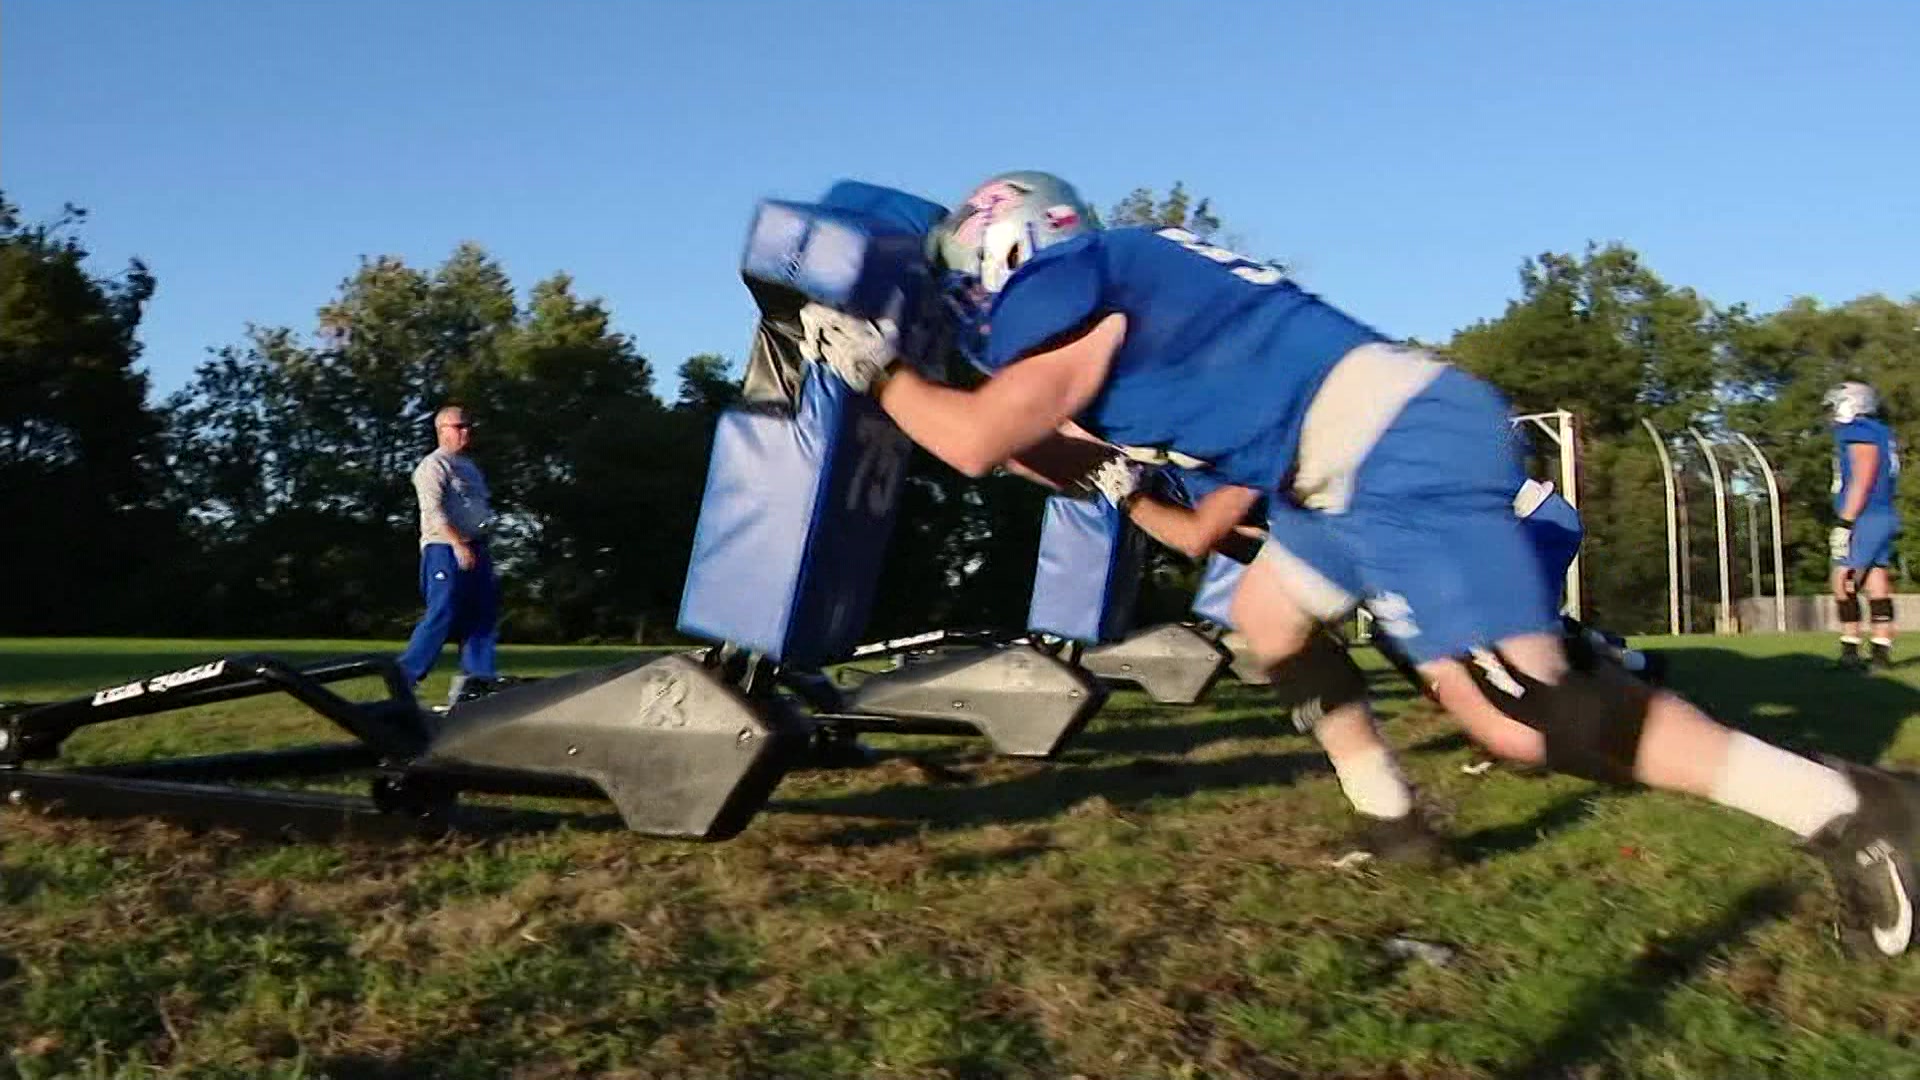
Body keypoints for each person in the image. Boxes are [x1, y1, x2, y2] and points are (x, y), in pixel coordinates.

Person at [793, 170, 1920, 959]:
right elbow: (1066, 452)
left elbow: (984, 435)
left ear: (1010, 246)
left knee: (1529, 721)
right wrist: (1059, 457)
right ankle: (1392, 817)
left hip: (1387, 449)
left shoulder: (1081, 280)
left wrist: (880, 372)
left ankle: (1851, 809)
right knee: (1274, 621)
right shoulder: (1151, 289)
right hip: (1329, 465)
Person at [396, 404, 501, 705]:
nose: (466, 432)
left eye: (468, 426)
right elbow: (434, 511)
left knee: (481, 617)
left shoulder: (470, 468)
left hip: (476, 546)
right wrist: (457, 544)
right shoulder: (433, 467)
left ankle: (479, 682)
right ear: (441, 430)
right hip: (444, 547)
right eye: (459, 426)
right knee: (444, 611)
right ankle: (406, 676)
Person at [1827, 381, 1901, 671]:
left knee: (1843, 578)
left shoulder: (1860, 431)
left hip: (1866, 514)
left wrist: (1846, 520)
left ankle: (1850, 649)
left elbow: (1863, 475)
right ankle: (1881, 651)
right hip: (1881, 513)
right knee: (1876, 578)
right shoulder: (1880, 431)